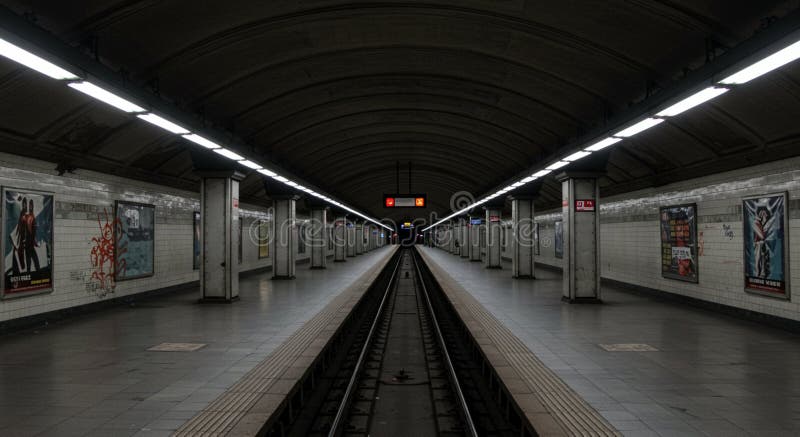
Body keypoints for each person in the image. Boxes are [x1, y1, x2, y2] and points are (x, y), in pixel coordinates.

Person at [23, 198, 40, 273]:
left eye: (31, 206)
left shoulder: (31, 216)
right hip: (28, 241)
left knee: (31, 258)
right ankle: (34, 271)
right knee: (30, 258)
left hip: (30, 241)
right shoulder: (26, 216)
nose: (30, 207)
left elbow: (33, 229)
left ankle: (35, 271)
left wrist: (33, 241)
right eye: (29, 205)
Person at [753, 206, 770, 278]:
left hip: (763, 244)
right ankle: (757, 274)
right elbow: (762, 236)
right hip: (758, 244)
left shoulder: (761, 223)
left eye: (765, 214)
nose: (765, 215)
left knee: (763, 260)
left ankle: (762, 273)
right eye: (763, 213)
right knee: (758, 260)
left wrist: (764, 223)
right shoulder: (755, 223)